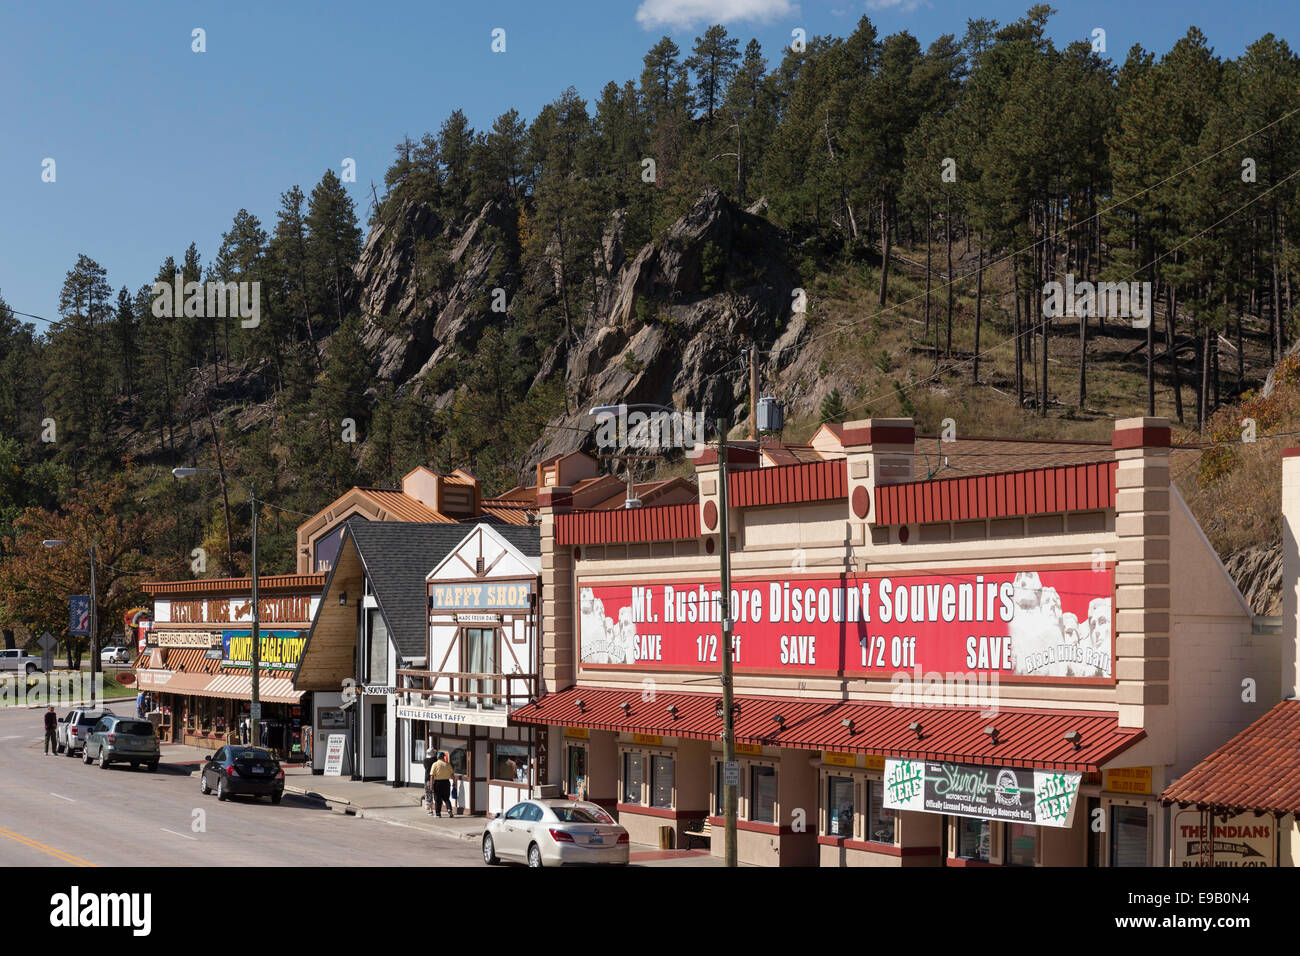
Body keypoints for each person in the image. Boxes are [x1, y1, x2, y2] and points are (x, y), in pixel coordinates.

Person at [429, 751, 457, 818]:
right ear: (444, 757)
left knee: (437, 799)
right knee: (446, 798)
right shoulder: (447, 764)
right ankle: (449, 809)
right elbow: (452, 775)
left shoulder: (435, 764)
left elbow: (432, 776)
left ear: (438, 757)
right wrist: (454, 782)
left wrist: (431, 785)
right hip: (446, 782)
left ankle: (438, 814)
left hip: (438, 783)